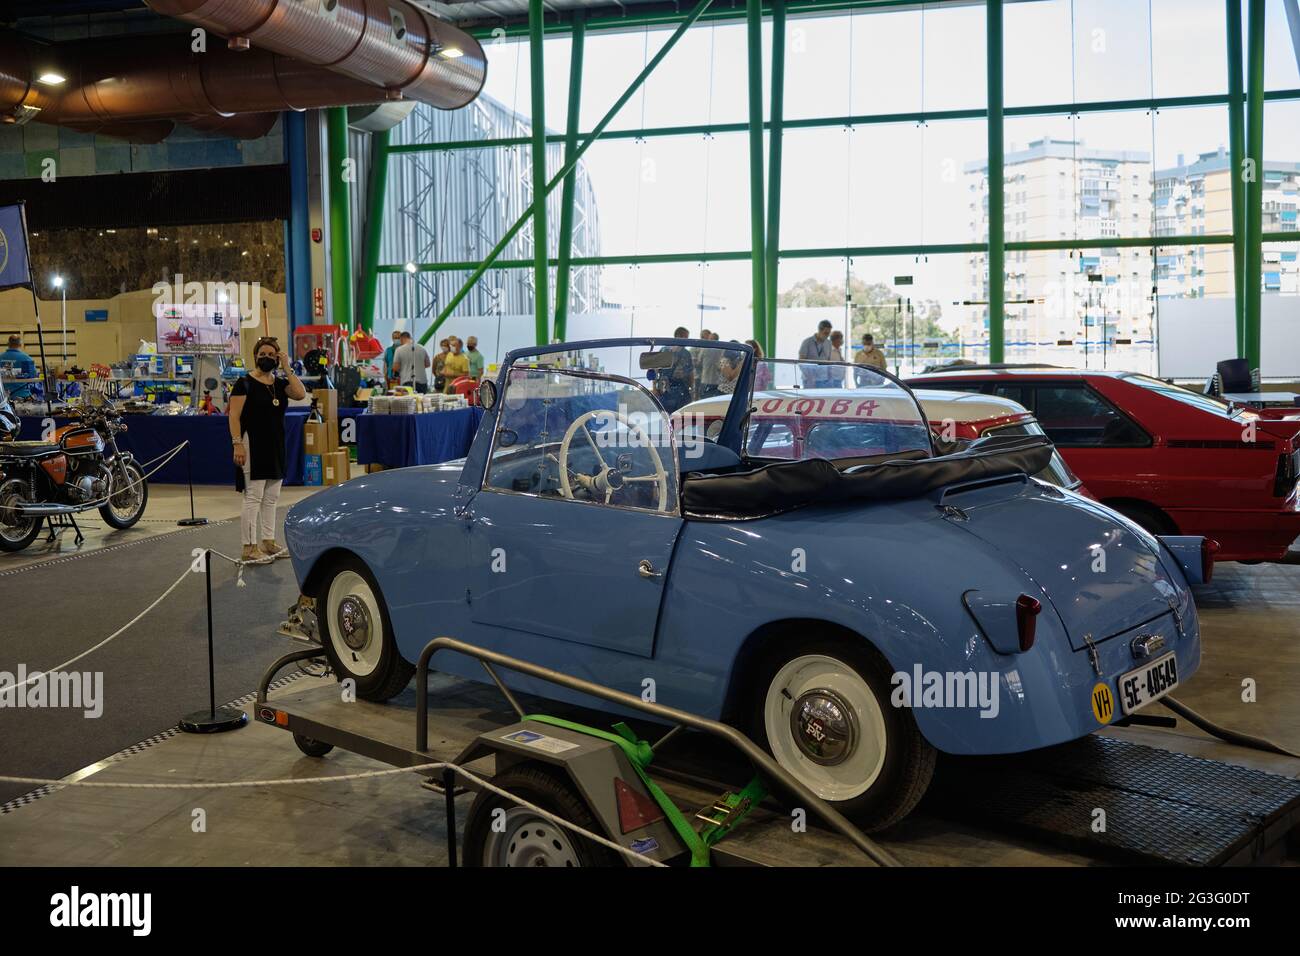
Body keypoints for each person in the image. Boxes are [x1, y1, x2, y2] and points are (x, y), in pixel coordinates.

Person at [228, 336, 306, 564]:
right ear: (255, 356)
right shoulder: (244, 383)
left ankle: (268, 541)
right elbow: (233, 415)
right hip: (252, 444)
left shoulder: (281, 384)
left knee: (272, 497)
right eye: (262, 354)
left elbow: (300, 394)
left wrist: (287, 368)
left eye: (272, 354)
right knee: (254, 496)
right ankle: (249, 547)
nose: (266, 358)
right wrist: (237, 443)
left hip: (276, 444)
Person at [798, 320, 833, 387]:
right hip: (809, 380)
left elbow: (829, 362)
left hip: (824, 380)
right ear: (819, 330)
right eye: (825, 333)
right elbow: (801, 361)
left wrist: (830, 378)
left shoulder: (828, 343)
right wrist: (810, 378)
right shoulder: (807, 342)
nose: (827, 336)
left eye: (829, 334)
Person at [0, 335, 35, 400]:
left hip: (2, 398)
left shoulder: (0, 357)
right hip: (22, 396)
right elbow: (32, 377)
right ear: (20, 344)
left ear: (8, 344)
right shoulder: (27, 358)